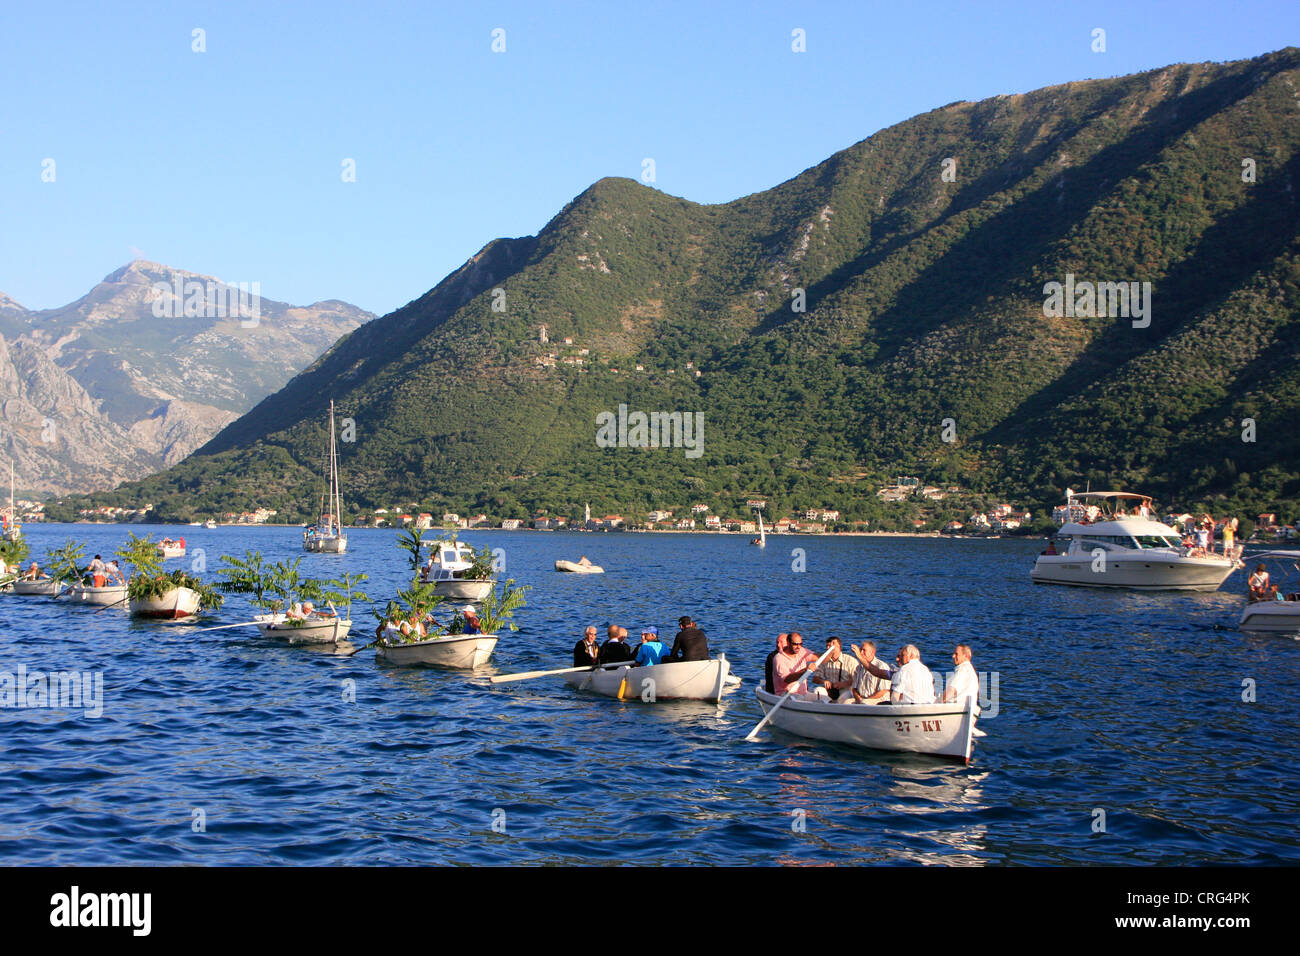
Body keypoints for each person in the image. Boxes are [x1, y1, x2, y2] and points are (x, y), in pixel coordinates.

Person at [809, 637, 859, 702]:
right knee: (817, 690)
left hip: (845, 690)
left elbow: (858, 679)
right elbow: (815, 679)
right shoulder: (824, 661)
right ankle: (826, 707)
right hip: (829, 691)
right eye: (827, 645)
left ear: (839, 647)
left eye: (832, 645)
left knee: (846, 696)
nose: (828, 647)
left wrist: (843, 684)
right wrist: (823, 681)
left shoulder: (850, 661)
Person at [772, 631, 817, 696]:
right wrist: (805, 670)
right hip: (786, 695)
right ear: (788, 643)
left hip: (803, 694)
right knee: (799, 698)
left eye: (800, 644)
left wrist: (832, 653)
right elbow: (787, 679)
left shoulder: (801, 651)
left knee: (822, 694)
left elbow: (817, 657)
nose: (798, 647)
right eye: (795, 644)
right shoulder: (779, 658)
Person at [849, 640, 892, 704]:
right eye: (860, 650)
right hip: (862, 698)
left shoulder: (882, 666)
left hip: (878, 699)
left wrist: (867, 699)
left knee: (864, 703)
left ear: (872, 652)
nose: (861, 652)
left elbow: (883, 691)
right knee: (845, 702)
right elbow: (854, 688)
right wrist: (858, 698)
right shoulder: (859, 667)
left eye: (864, 650)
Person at [941, 644, 979, 710]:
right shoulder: (972, 672)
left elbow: (952, 689)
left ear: (966, 656)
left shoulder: (963, 669)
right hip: (969, 708)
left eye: (956, 654)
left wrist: (940, 702)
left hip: (956, 708)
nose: (953, 656)